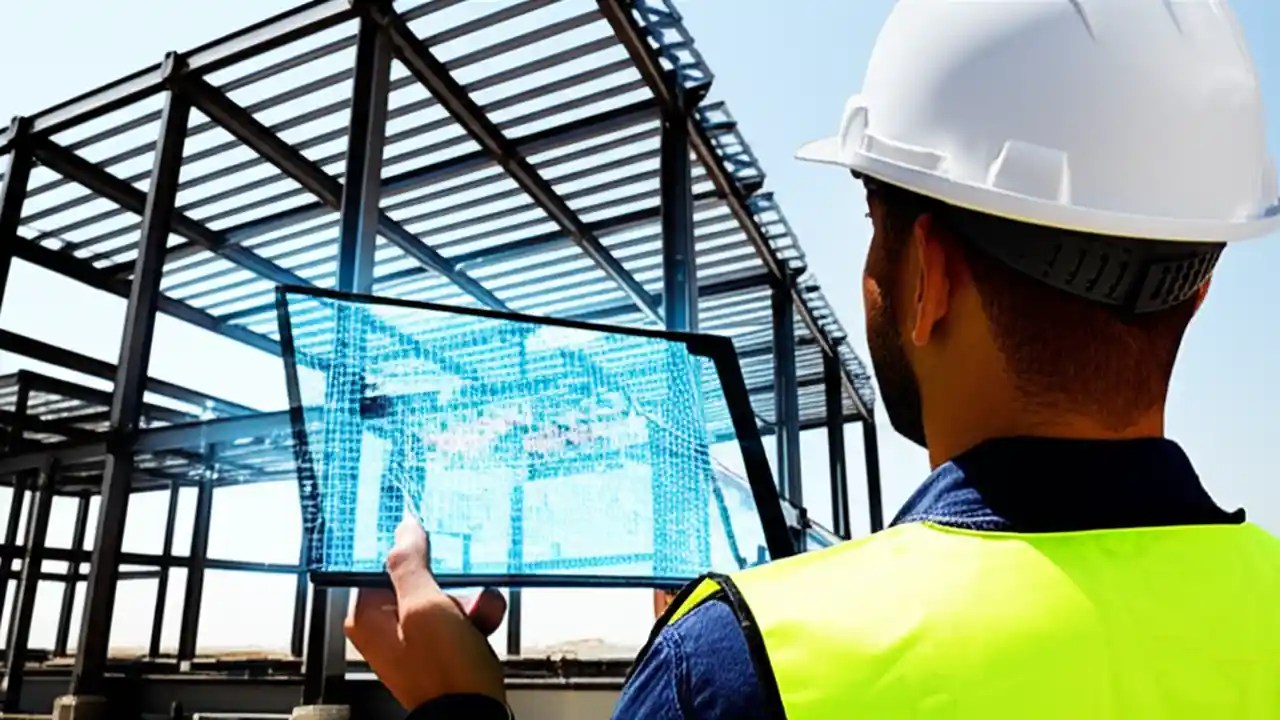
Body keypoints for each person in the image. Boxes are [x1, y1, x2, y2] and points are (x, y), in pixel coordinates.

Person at [346, 1, 1280, 718]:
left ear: (931, 280)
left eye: (877, 229)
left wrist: (456, 708)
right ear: (1197, 287)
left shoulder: (734, 667)